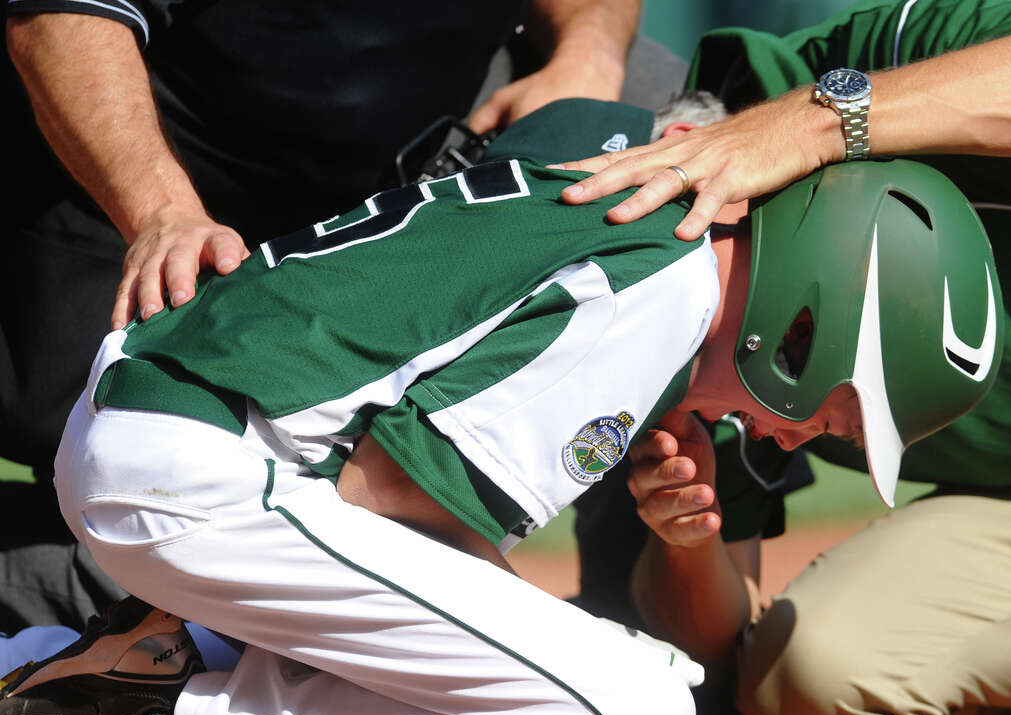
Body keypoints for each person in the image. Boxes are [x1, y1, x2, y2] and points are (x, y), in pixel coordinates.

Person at [0, 89, 1001, 715]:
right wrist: (552, 649)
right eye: (834, 410)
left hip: (186, 432)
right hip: (212, 473)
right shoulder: (670, 291)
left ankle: (143, 650)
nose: (798, 435)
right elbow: (388, 491)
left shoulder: (642, 223)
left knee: (587, 667)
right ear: (806, 325)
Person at [556, 0, 1011, 715]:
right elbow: (718, 645)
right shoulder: (684, 330)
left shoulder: (847, 69)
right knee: (806, 685)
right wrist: (687, 541)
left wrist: (811, 124)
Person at [0, 0, 667, 632]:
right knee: (166, 519)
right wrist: (159, 212)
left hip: (401, 188)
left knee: (655, 108)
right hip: (153, 197)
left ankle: (653, 602)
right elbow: (60, 16)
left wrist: (589, 53)